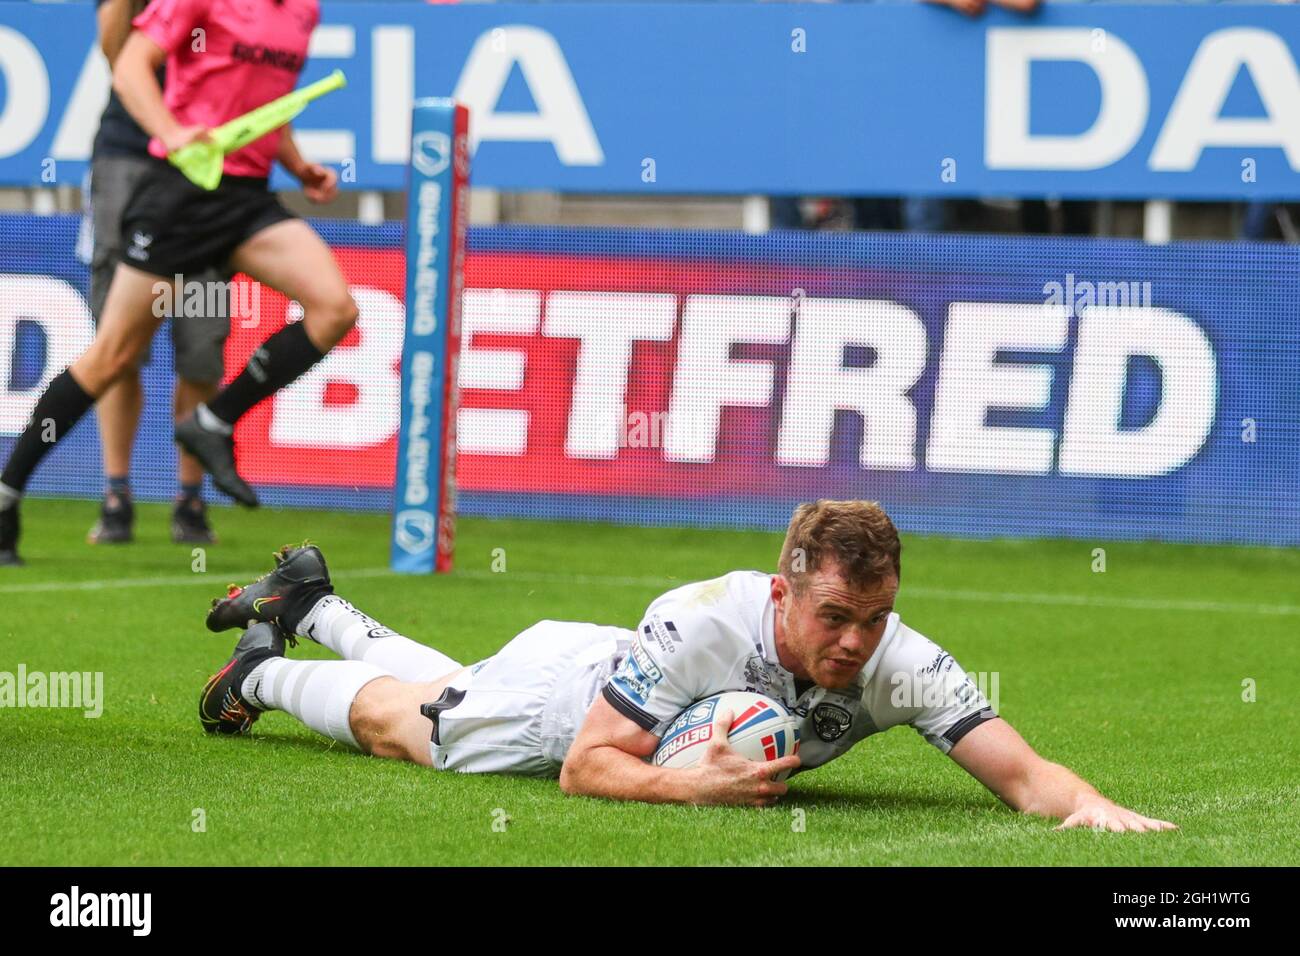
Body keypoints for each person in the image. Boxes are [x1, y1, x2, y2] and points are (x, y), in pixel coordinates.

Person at [196, 501, 1178, 829]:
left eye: (872, 618)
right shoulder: (705, 619)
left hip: (603, 673)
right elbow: (587, 766)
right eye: (834, 615)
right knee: (409, 725)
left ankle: (312, 602)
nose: (853, 642)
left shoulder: (899, 659)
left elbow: (1026, 774)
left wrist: (1087, 802)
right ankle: (259, 675)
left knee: (443, 685)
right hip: (563, 705)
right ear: (783, 592)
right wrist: (689, 787)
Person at [0, 0, 353, 566]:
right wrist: (171, 130)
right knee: (112, 356)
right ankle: (7, 492)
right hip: (180, 195)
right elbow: (129, 65)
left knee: (334, 308)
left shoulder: (304, 12)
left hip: (247, 199)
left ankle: (212, 423)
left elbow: (264, 103)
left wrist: (298, 163)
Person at [86, 0, 230, 546]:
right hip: (130, 160)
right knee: (117, 345)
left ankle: (190, 501)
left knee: (202, 339)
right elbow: (116, 52)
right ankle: (117, 493)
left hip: (209, 163)